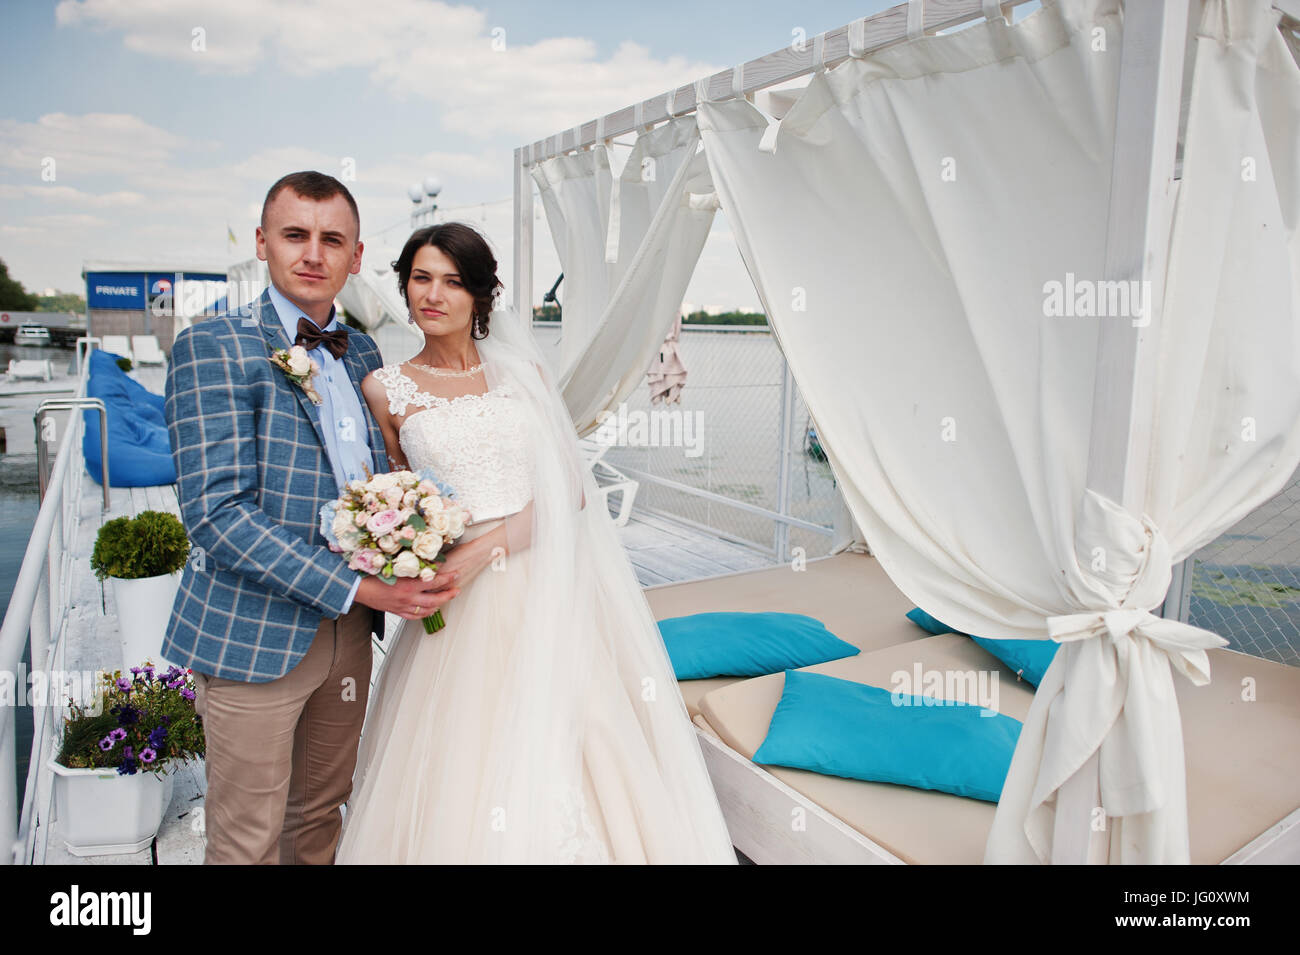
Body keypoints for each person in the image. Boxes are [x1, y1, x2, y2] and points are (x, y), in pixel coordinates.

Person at [335, 223, 736, 863]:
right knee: (462, 748)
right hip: (452, 600)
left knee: (578, 727)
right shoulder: (385, 388)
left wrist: (474, 553)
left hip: (540, 574)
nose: (433, 294)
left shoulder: (524, 376)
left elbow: (570, 491)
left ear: (481, 295)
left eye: (453, 281)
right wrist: (405, 546)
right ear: (404, 286)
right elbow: (394, 491)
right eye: (420, 278)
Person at [163, 171, 459, 864]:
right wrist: (365, 588)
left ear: (356, 257)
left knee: (320, 819)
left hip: (350, 638)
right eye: (295, 235)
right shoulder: (213, 346)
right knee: (246, 840)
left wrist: (422, 527)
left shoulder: (361, 352)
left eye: (333, 240)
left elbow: (374, 478)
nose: (312, 253)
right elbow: (217, 514)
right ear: (263, 242)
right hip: (253, 634)